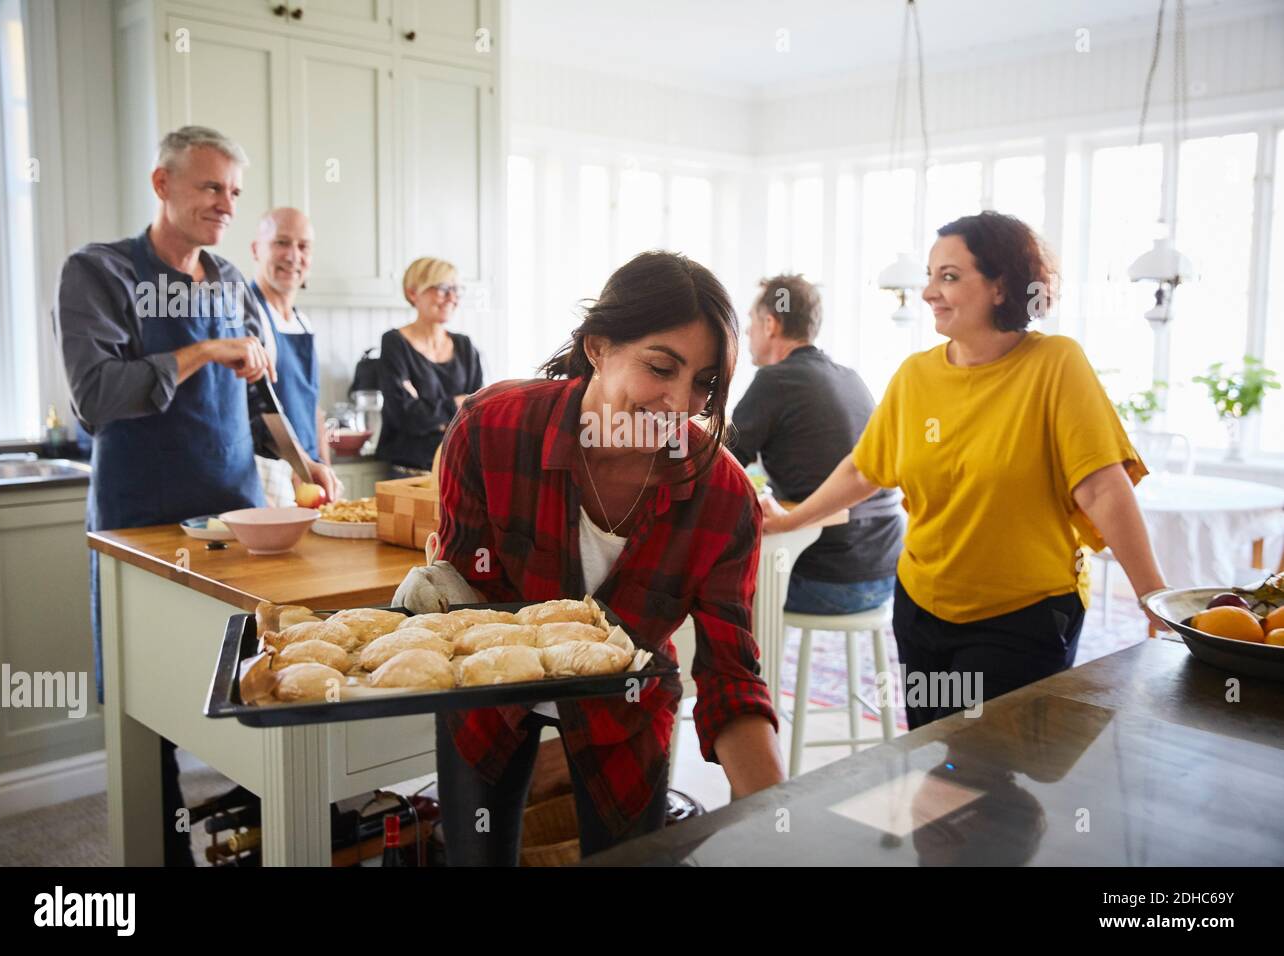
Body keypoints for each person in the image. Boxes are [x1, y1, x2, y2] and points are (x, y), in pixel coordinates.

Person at [403, 251, 785, 864]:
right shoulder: (492, 430)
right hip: (488, 696)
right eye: (661, 368)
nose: (681, 404)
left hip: (625, 707)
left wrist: (778, 822)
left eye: (706, 384)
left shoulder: (723, 497)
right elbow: (463, 612)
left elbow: (730, 676)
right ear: (598, 347)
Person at [762, 212, 1168, 728]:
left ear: (1001, 286)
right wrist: (789, 521)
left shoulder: (1055, 364)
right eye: (930, 275)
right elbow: (864, 470)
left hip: (1023, 617)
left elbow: (1101, 488)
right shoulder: (916, 376)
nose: (931, 291)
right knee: (933, 762)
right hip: (920, 608)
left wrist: (1153, 596)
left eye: (949, 276)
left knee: (998, 777)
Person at [55, 125, 273, 865]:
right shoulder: (100, 273)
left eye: (234, 192)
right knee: (148, 710)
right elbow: (98, 397)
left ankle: (263, 841)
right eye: (211, 187)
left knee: (254, 687)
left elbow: (259, 391)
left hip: (237, 522)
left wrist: (306, 458)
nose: (225, 205)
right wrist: (207, 349)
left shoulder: (233, 281)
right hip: (140, 526)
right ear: (163, 184)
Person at [728, 273, 903, 615]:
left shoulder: (773, 381)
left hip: (829, 582)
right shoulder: (850, 377)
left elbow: (721, 464)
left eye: (750, 320)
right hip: (887, 571)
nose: (746, 332)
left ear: (770, 323)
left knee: (711, 588)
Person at [247, 207, 341, 504]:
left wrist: (323, 465)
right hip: (268, 473)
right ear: (256, 250)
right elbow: (255, 411)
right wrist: (297, 463)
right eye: (281, 243)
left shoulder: (302, 322)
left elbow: (313, 408)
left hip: (307, 474)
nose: (293, 255)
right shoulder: (249, 317)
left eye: (303, 246)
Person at [375, 257, 483, 476]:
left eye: (456, 289)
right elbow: (403, 415)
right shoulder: (395, 343)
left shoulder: (464, 346)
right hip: (408, 473)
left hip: (459, 470)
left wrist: (428, 411)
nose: (452, 297)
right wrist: (456, 403)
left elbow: (478, 412)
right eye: (442, 288)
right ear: (413, 292)